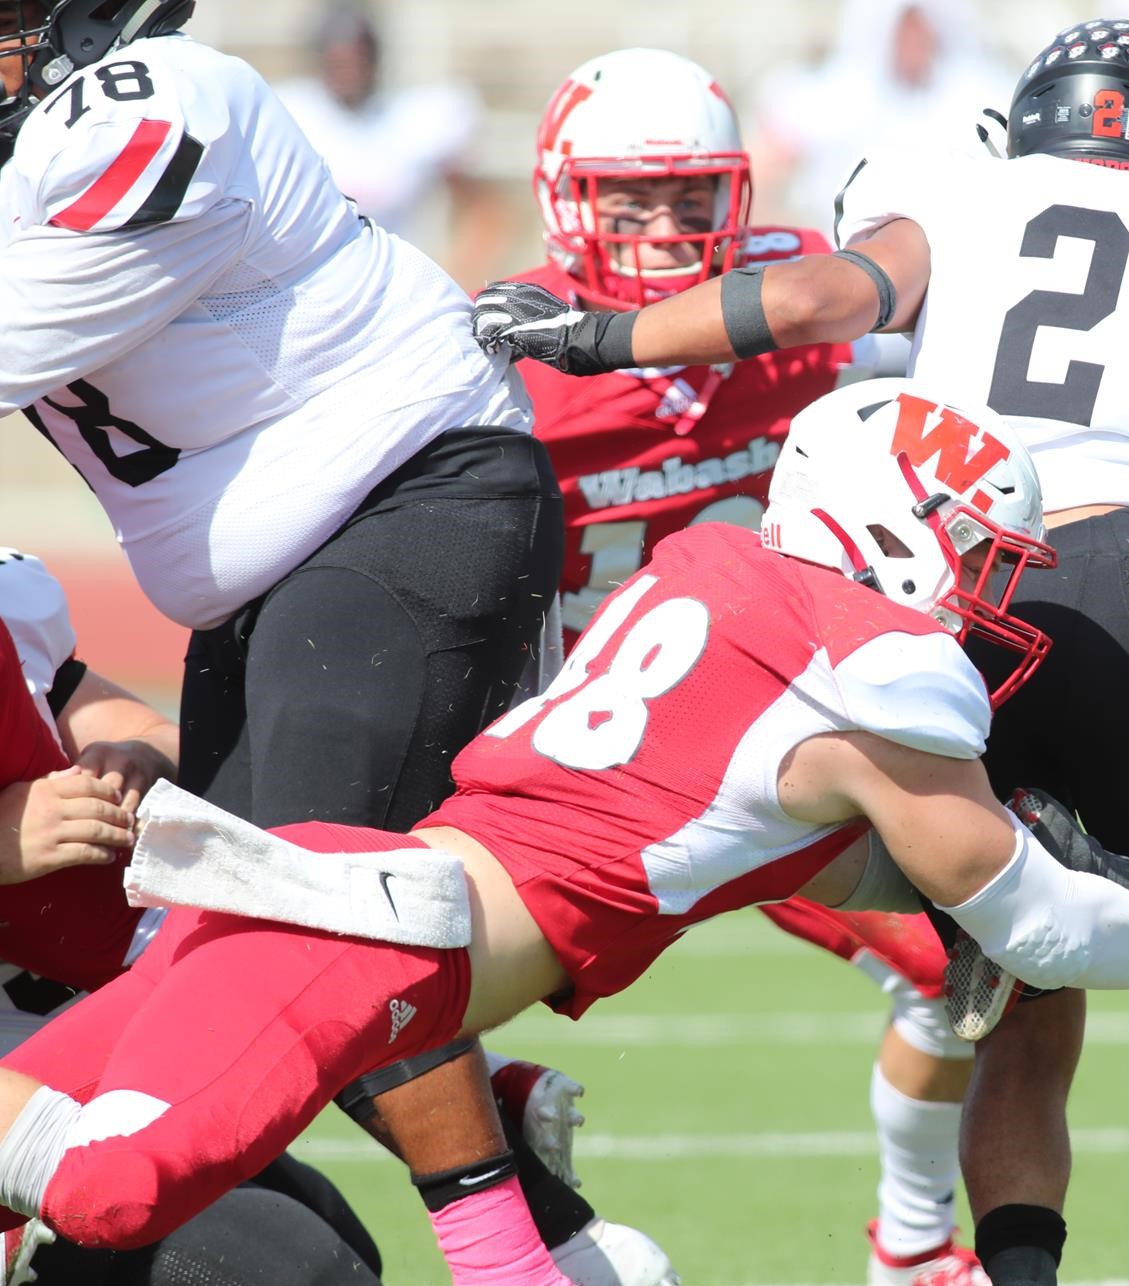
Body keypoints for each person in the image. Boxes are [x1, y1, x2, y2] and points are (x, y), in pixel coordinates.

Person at [472, 18, 1129, 1285]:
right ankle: (1105, 884)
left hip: (897, 603)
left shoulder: (942, 185)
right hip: (1093, 578)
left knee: (1018, 976)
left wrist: (592, 334)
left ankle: (959, 1251)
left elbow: (821, 298)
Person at [0, 384, 1129, 1284]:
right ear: (887, 523)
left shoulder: (708, 577)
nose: (974, 587)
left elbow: (753, 834)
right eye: (965, 545)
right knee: (108, 1187)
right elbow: (1039, 922)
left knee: (42, 1125)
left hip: (338, 903)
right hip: (377, 946)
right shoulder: (866, 663)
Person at [0, 4, 640, 1283]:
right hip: (299, 564)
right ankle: (516, 1181)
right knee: (215, 940)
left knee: (293, 910)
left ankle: (528, 1256)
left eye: (12, 20)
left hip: (403, 497)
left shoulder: (154, 95)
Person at [514, 47, 977, 1286]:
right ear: (570, 196)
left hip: (781, 740)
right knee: (405, 990)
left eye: (690, 199)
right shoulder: (509, 358)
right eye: (630, 198)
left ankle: (916, 1244)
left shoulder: (793, 302)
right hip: (587, 755)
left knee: (968, 965)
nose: (664, 229)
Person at [0, 548, 393, 1286]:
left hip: (80, 1047)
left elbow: (151, 731)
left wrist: (132, 761)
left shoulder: (11, 597)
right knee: (277, 1269)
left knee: (328, 1239)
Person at [275, 1, 508, 287]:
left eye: (356, 60)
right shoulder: (291, 113)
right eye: (338, 62)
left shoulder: (414, 119)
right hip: (311, 290)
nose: (348, 72)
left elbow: (484, 211)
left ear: (375, 58)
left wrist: (452, 279)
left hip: (399, 294)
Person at [750, 0, 1009, 228]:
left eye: (922, 29)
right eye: (905, 30)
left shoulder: (982, 100)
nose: (915, 42)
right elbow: (760, 172)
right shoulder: (829, 99)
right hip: (841, 262)